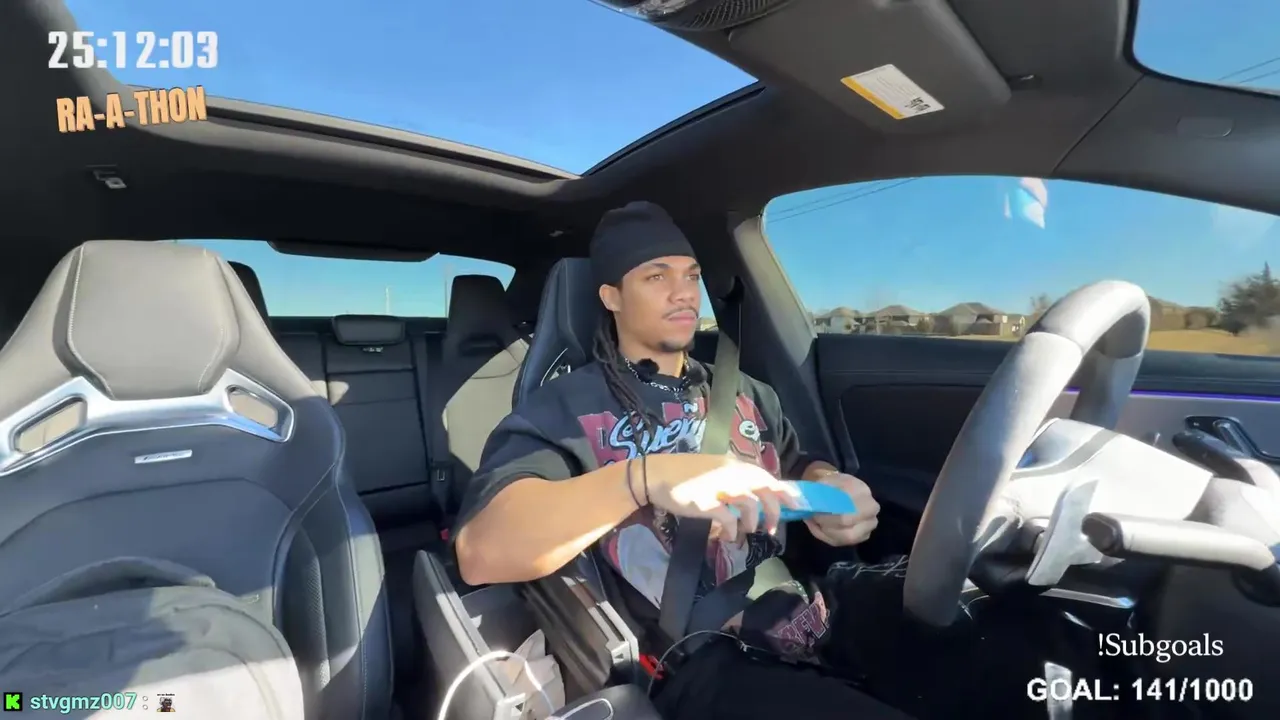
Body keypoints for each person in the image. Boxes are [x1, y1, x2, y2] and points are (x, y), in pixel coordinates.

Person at [453, 202, 1031, 720]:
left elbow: (799, 463)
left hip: (806, 604)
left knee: (1011, 638)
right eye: (656, 276)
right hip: (693, 658)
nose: (684, 292)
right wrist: (646, 477)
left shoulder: (748, 392)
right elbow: (481, 552)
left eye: (691, 275)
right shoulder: (563, 409)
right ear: (611, 297)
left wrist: (830, 491)